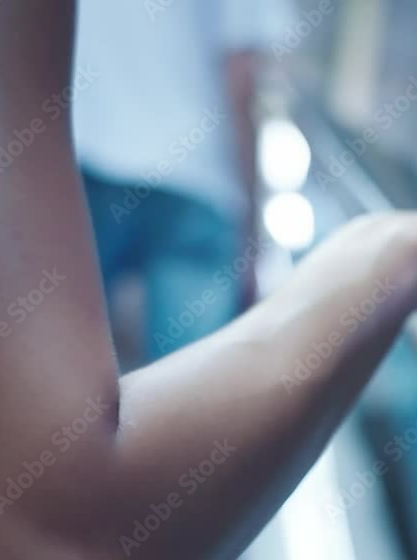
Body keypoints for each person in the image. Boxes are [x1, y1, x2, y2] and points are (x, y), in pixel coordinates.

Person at [0, 1, 417, 560]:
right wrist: (394, 252)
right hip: (197, 192)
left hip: (87, 169)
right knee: (198, 478)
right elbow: (40, 528)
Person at [73, 0, 289, 363]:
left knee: (63, 373)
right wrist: (252, 230)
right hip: (197, 179)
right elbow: (241, 78)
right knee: (188, 381)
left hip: (88, 162)